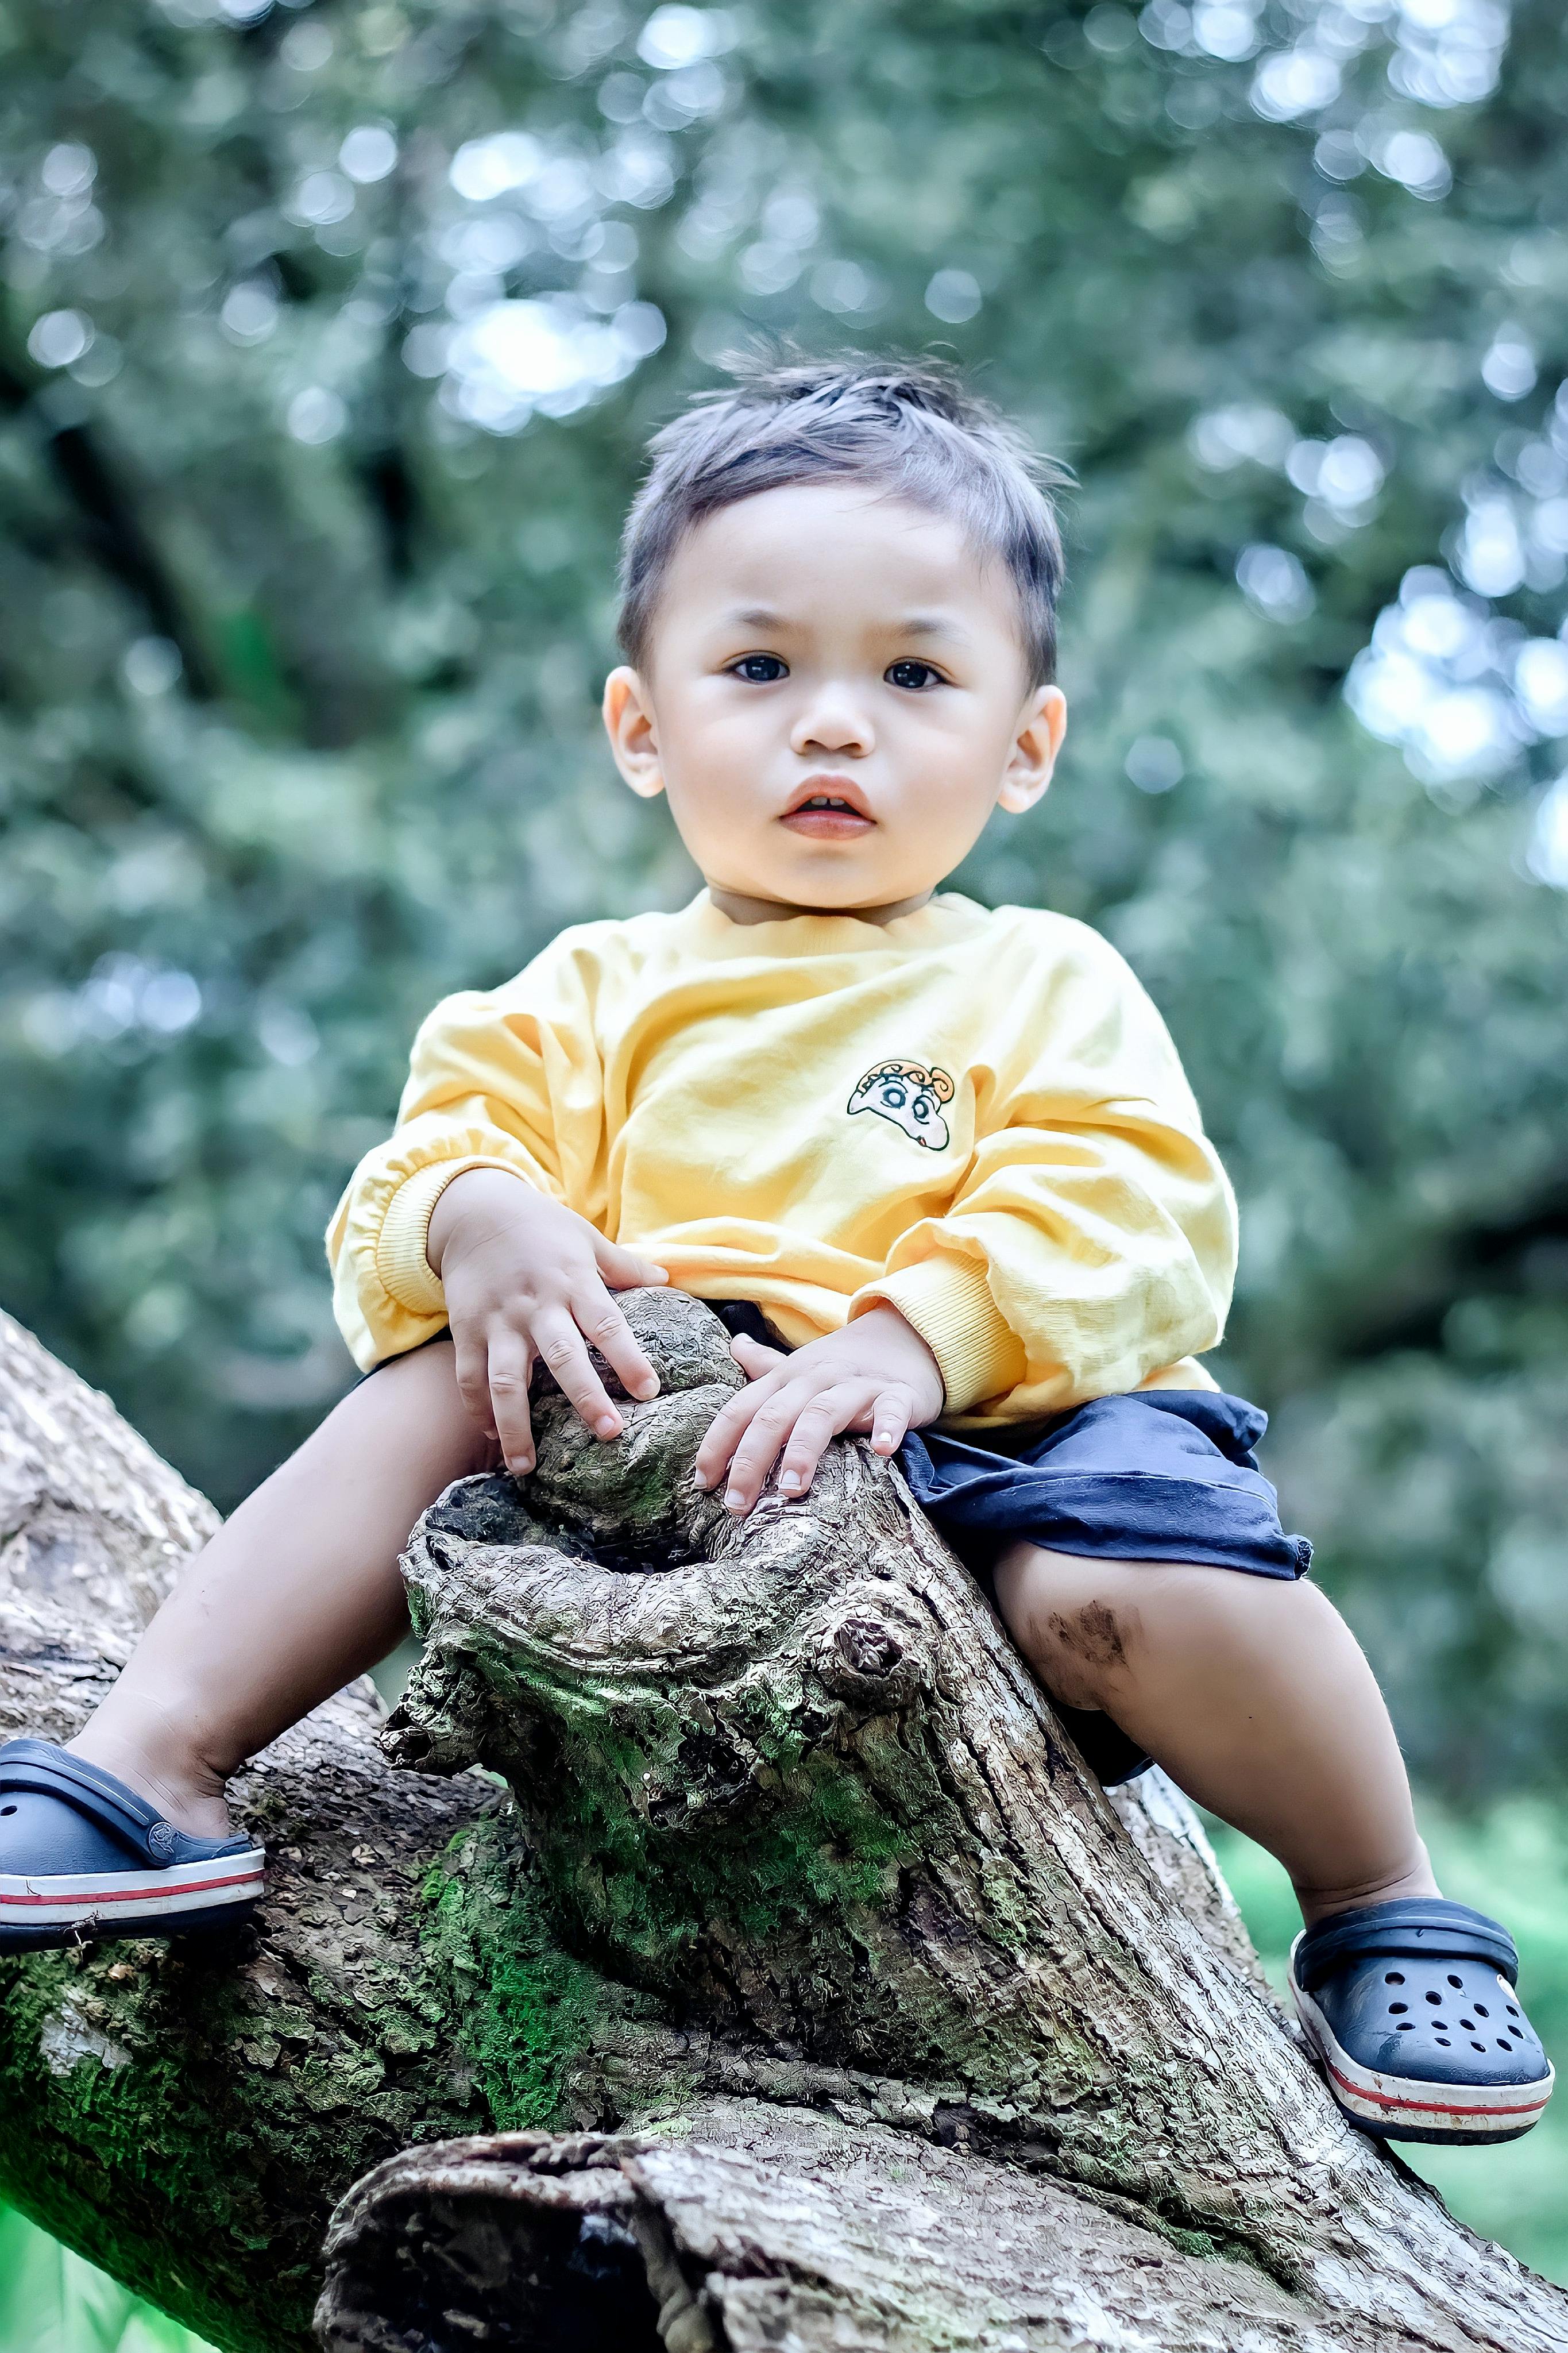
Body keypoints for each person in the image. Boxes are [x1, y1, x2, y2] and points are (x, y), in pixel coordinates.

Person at [1, 360, 1550, 2149]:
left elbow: (1134, 1212)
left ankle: (1377, 1899)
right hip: (672, 1417)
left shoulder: (1036, 979)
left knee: (1146, 1582)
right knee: (435, 1393)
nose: (832, 727)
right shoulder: (581, 994)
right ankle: (156, 1764)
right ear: (641, 726)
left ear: (1023, 744)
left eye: (912, 677)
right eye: (757, 669)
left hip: (1010, 1419)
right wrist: (478, 1220)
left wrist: (915, 1334)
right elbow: (416, 1177)